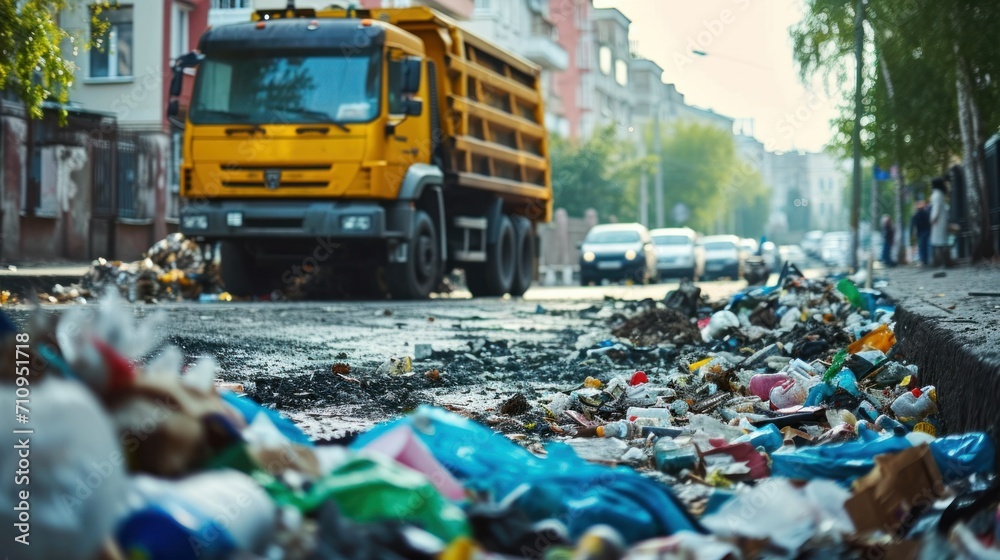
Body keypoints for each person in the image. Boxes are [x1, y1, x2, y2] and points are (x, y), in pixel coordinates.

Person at [929, 178, 950, 267]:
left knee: (939, 243)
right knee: (942, 242)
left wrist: (933, 219)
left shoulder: (936, 194)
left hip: (938, 222)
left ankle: (941, 262)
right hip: (942, 221)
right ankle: (945, 261)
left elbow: (935, 209)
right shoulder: (941, 194)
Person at [909, 200, 931, 265]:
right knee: (926, 246)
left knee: (922, 247)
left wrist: (912, 234)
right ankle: (925, 260)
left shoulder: (916, 215)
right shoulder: (926, 213)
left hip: (921, 232)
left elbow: (913, 225)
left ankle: (923, 260)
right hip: (926, 231)